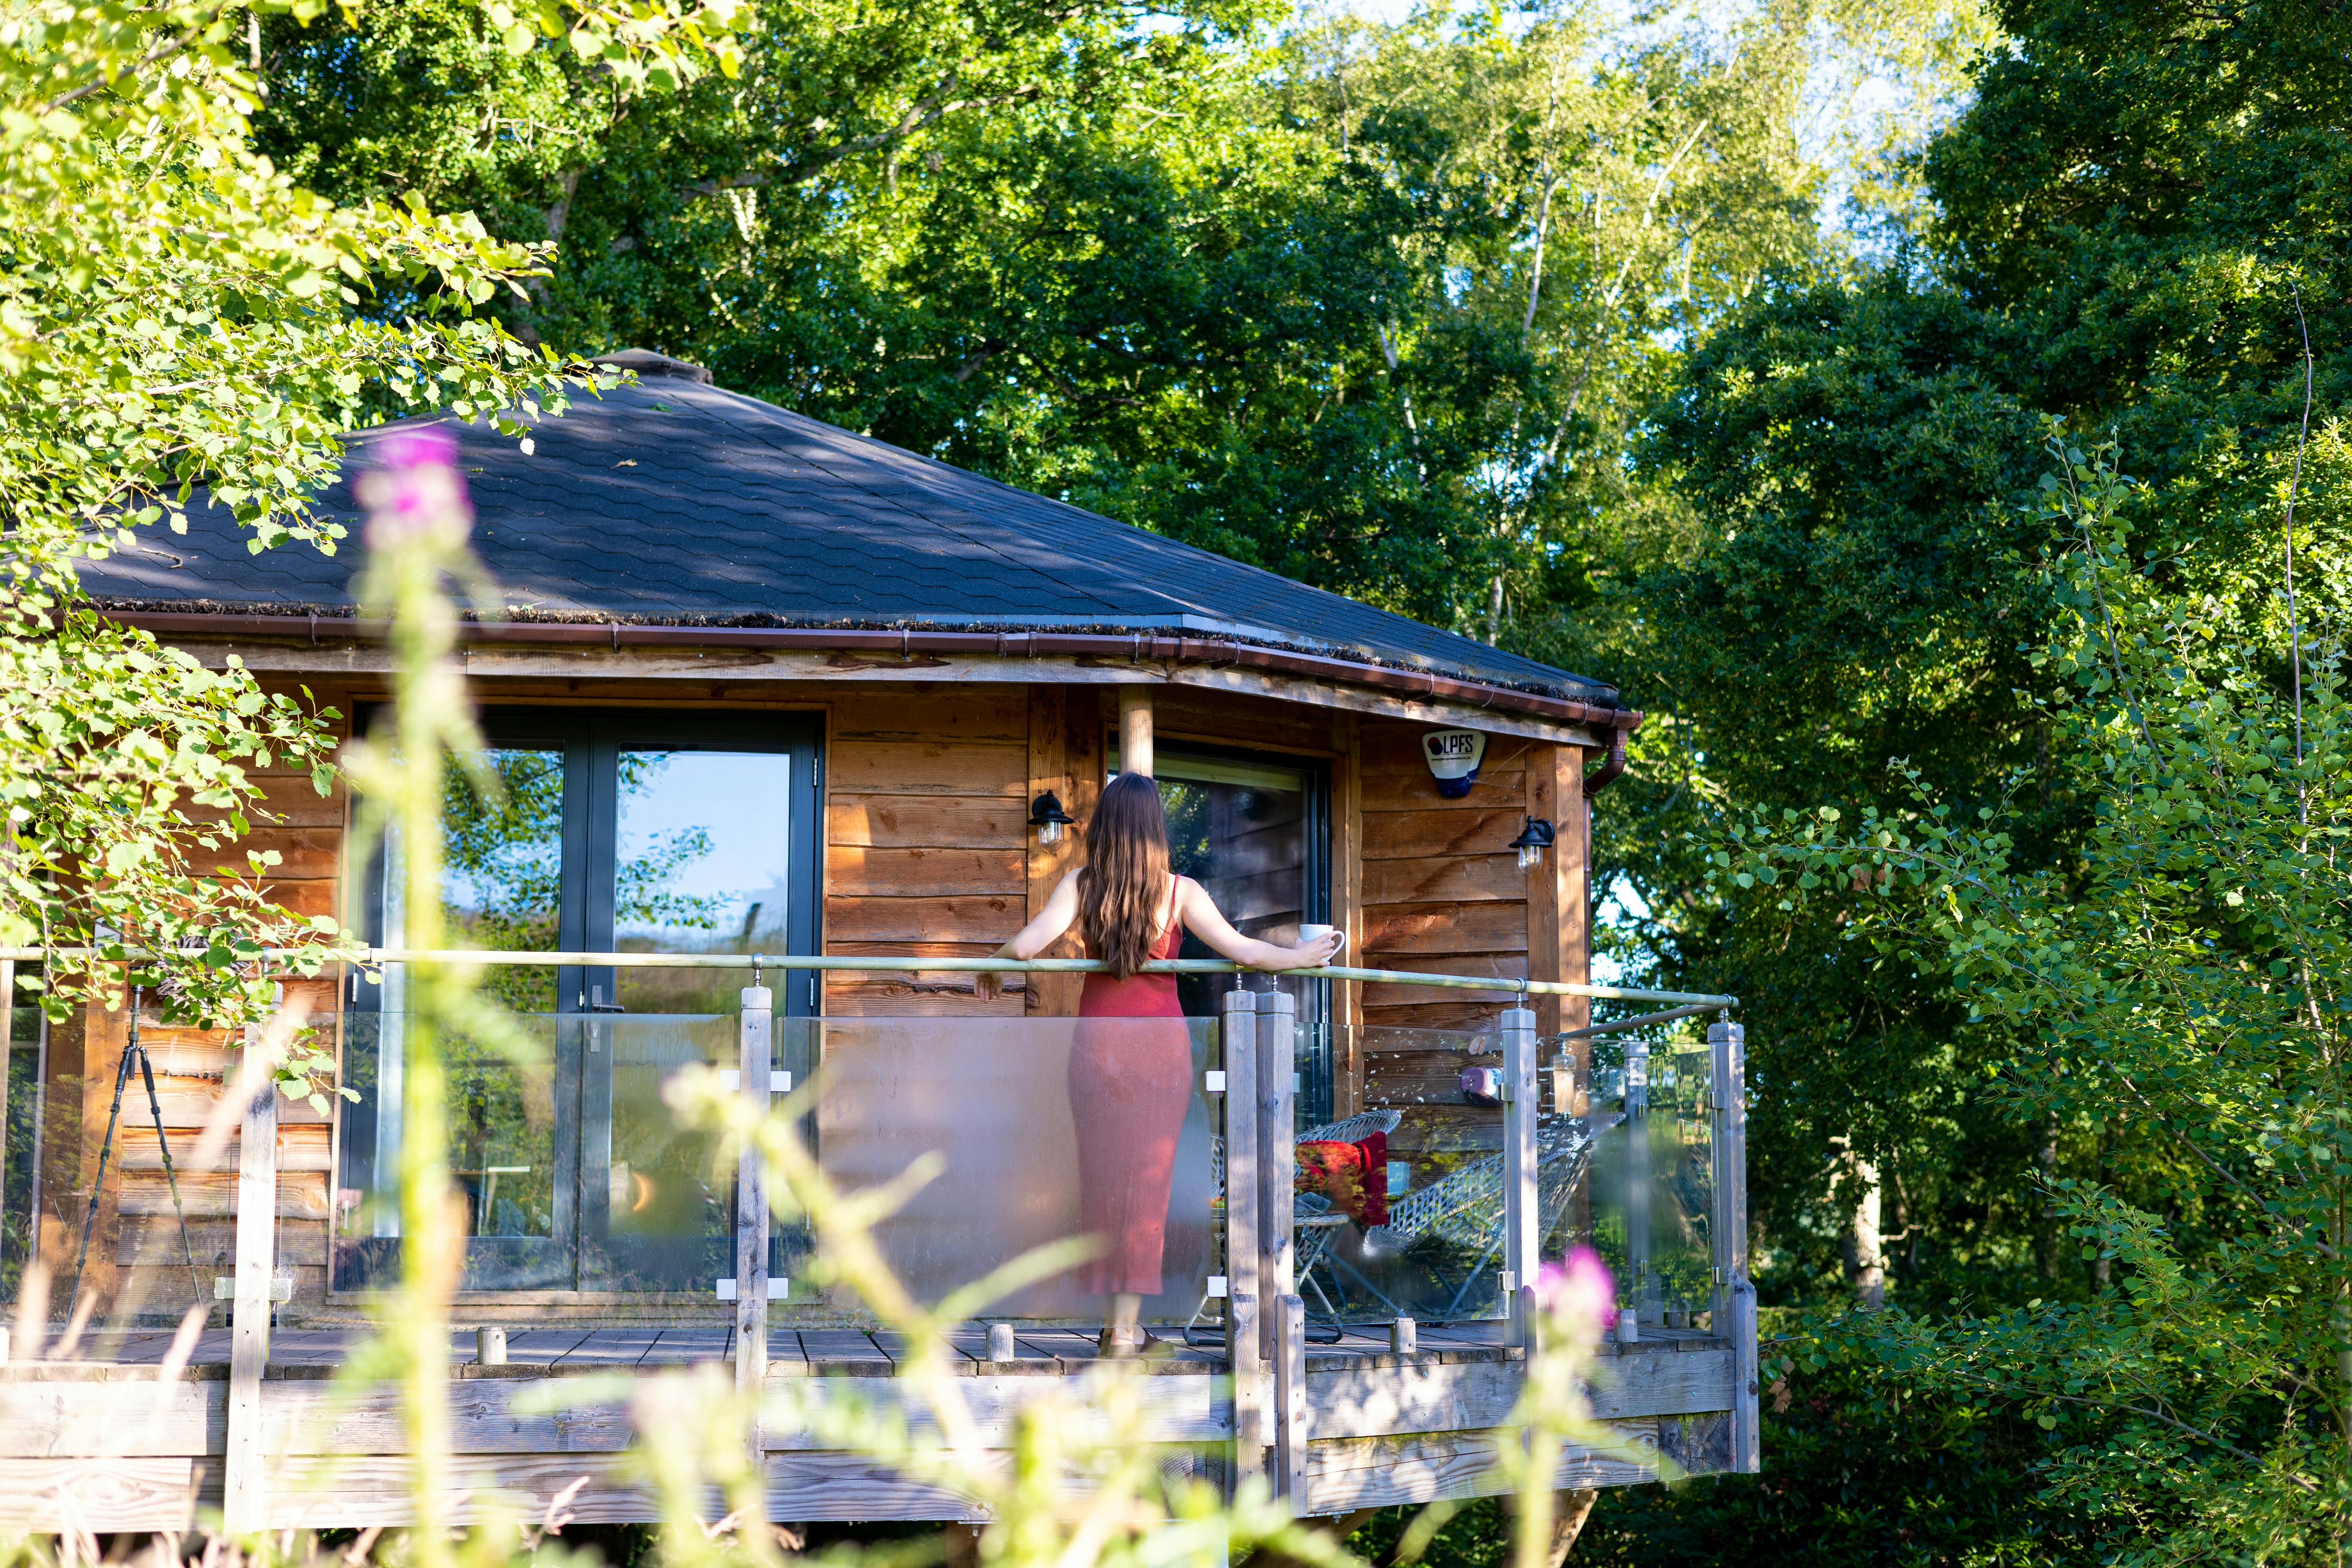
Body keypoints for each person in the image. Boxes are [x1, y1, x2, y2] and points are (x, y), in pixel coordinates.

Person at [980, 772, 1342, 1357]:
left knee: (1101, 1183)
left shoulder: (1081, 884)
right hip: (1157, 1054)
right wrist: (1300, 957)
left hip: (1097, 1051)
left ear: (1104, 829)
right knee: (1145, 1187)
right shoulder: (1181, 892)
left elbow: (1025, 948)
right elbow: (1245, 952)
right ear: (1155, 830)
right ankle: (1125, 1331)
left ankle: (1114, 1326)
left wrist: (993, 963)